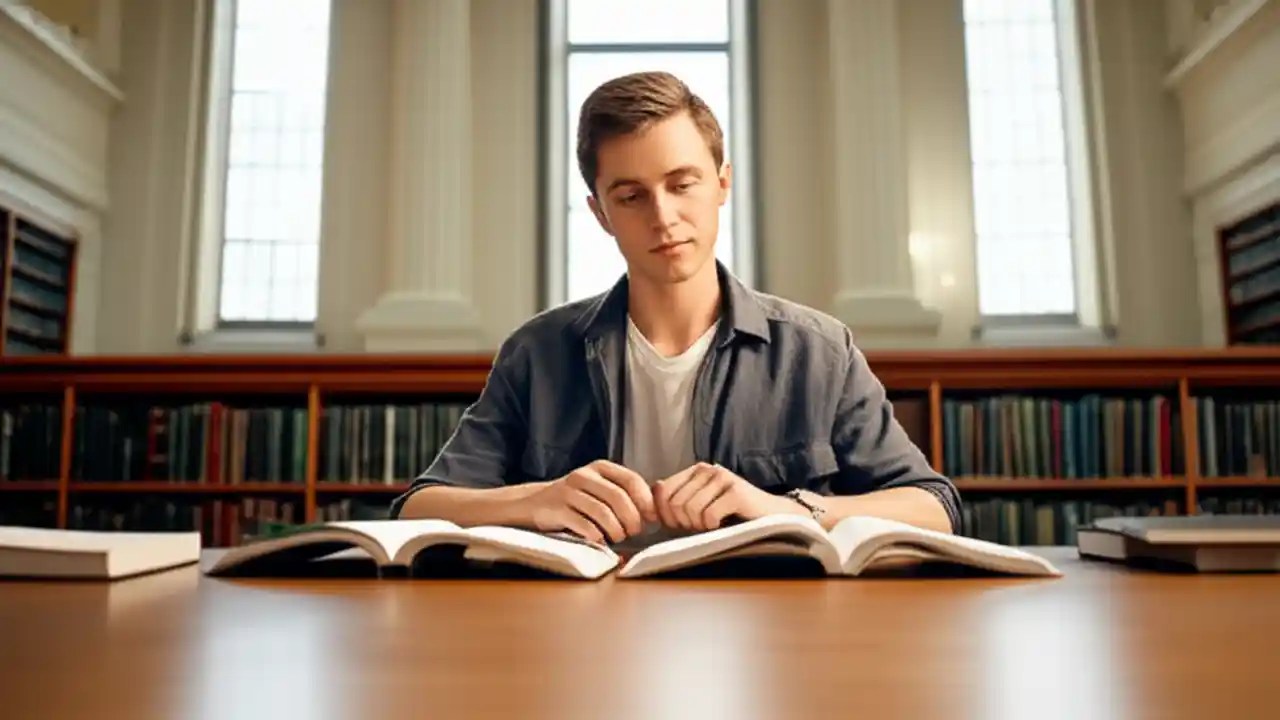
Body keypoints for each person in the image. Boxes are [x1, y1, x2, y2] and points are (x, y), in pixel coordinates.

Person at [391, 70, 960, 551]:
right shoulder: (537, 352)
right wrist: (534, 500)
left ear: (721, 184)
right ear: (600, 213)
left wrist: (783, 508)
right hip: (577, 638)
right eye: (631, 196)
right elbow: (418, 508)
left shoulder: (817, 349)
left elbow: (934, 507)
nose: (663, 217)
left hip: (763, 634)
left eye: (682, 183)